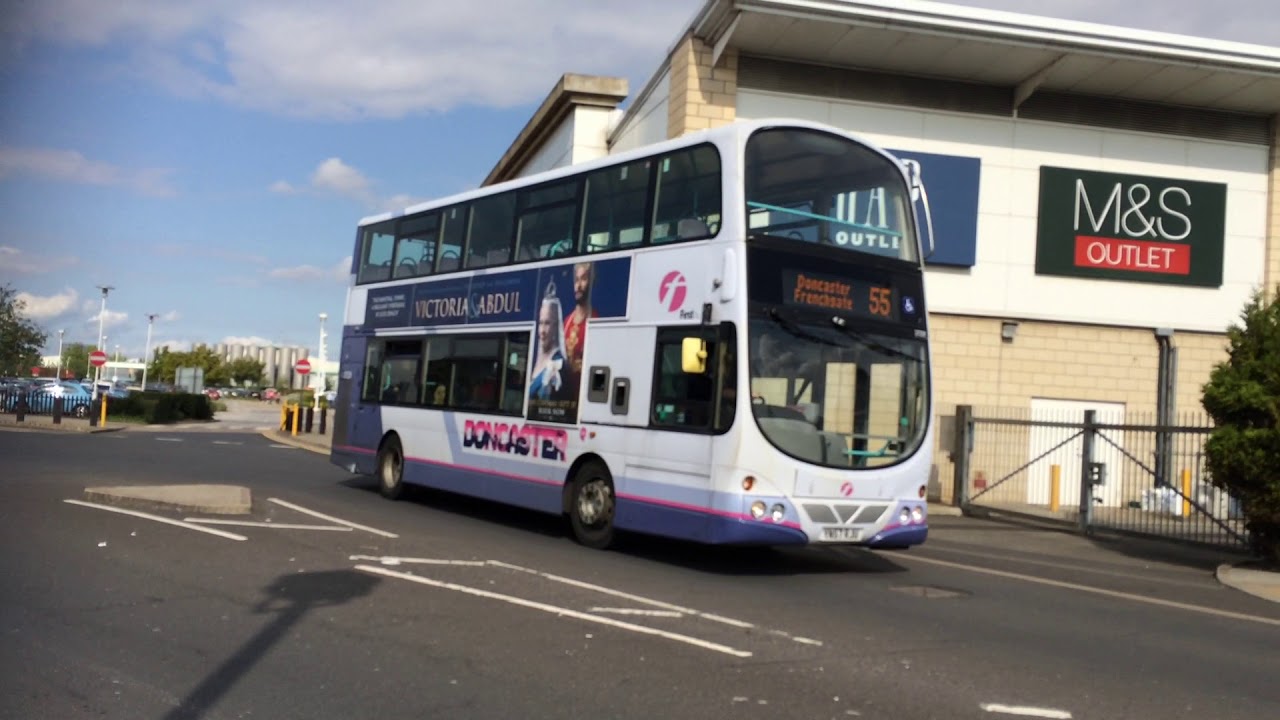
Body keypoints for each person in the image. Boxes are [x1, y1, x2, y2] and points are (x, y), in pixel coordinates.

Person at [529, 285, 568, 401]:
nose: (542, 331)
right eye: (541, 323)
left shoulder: (558, 364)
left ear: (556, 326)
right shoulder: (535, 359)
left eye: (547, 323)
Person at [562, 262, 599, 379]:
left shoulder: (595, 321)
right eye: (576, 280)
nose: (578, 285)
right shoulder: (566, 322)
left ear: (591, 282)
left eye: (583, 279)